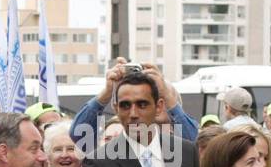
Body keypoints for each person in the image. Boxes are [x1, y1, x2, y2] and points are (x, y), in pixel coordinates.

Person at [69, 59, 197, 156]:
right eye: (140, 103)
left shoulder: (180, 149)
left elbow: (198, 145)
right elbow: (79, 136)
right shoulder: (120, 147)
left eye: (160, 98)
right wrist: (108, 92)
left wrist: (165, 91)